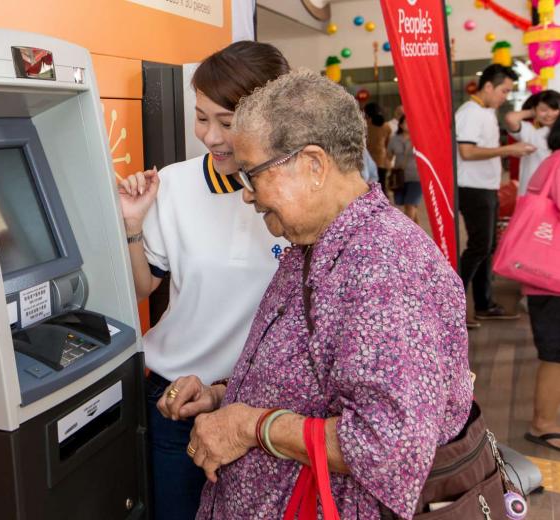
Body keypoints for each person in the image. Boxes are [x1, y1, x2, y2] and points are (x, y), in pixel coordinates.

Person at [158, 69, 473, 519]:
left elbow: (387, 445)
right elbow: (317, 383)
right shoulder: (321, 243)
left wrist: (249, 425)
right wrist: (224, 395)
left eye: (253, 175)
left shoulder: (384, 265)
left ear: (313, 165)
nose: (248, 196)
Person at [117, 41, 290, 520]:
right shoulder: (174, 184)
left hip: (266, 410)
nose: (210, 137)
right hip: (175, 401)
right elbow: (142, 289)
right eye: (201, 117)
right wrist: (133, 224)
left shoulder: (299, 193)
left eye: (228, 123)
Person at [456, 64, 535, 328]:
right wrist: (508, 150)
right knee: (478, 247)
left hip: (485, 187)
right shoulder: (470, 113)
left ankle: (484, 303)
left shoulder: (487, 111)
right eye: (503, 90)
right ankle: (451, 303)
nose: (505, 96)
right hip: (473, 188)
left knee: (487, 247)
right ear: (488, 86)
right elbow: (466, 152)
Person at [521, 119, 560, 452]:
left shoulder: (551, 162)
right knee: (555, 353)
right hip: (552, 279)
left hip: (546, 276)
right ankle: (543, 423)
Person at [505, 89, 560, 196]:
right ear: (535, 110)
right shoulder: (529, 130)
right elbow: (511, 118)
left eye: (554, 109)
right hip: (532, 193)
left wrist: (541, 110)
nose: (549, 114)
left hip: (556, 191)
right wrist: (532, 112)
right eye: (544, 110)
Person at [387, 115, 422, 223]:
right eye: (406, 122)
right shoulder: (394, 139)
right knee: (406, 205)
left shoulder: (419, 138)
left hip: (416, 177)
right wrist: (391, 169)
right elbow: (389, 156)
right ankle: (418, 231)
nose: (409, 125)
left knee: (410, 205)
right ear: (401, 125)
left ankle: (409, 234)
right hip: (400, 177)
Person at [364, 102, 392, 193]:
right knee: (382, 186)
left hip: (367, 160)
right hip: (381, 160)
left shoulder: (365, 126)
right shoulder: (386, 126)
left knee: (368, 188)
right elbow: (388, 143)